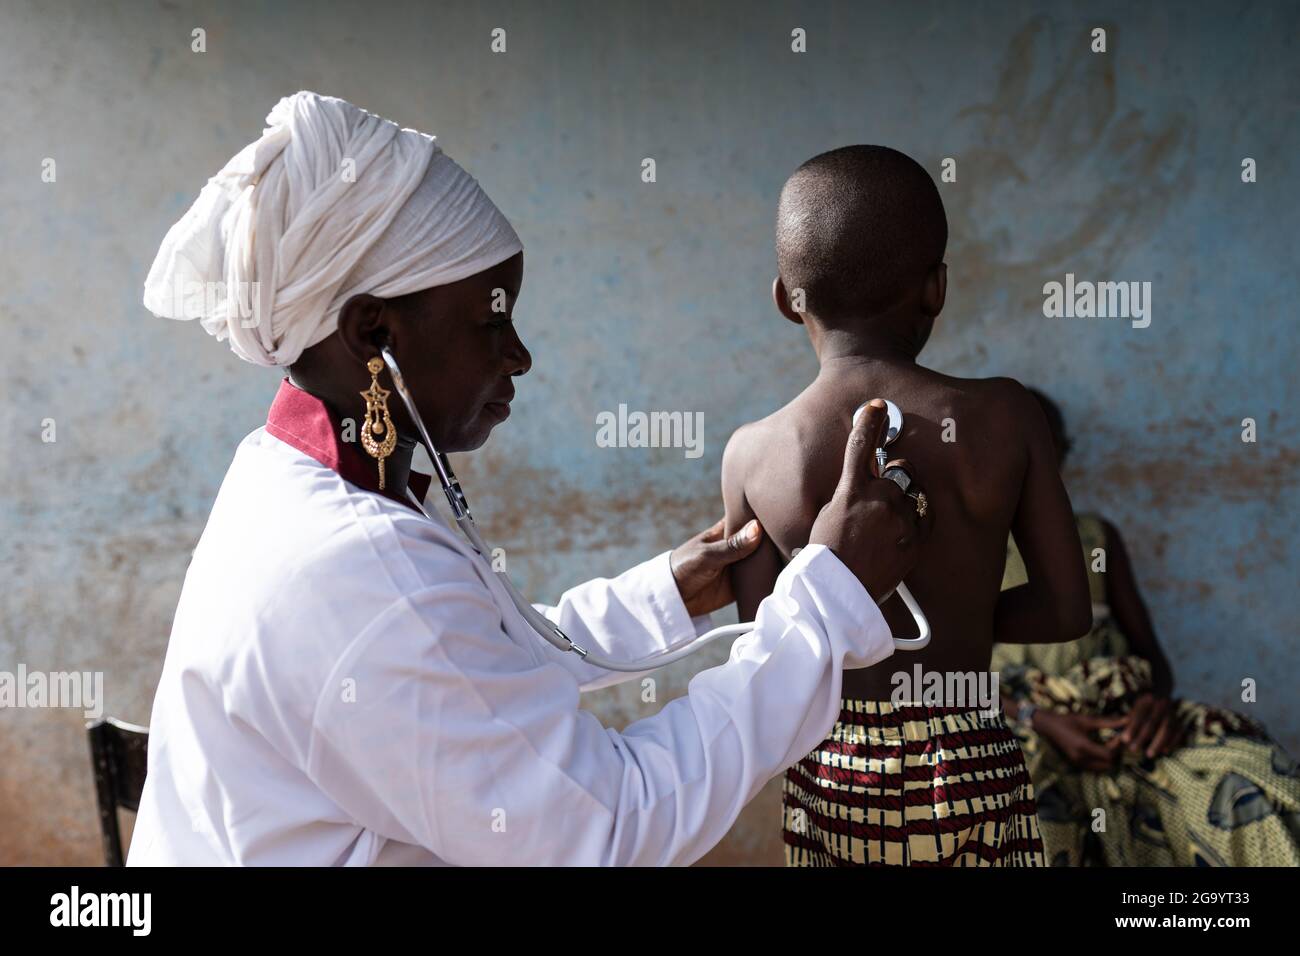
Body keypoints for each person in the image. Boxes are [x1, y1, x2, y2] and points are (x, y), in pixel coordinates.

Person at [126, 92, 930, 866]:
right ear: (375, 332)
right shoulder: (355, 567)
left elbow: (466, 664)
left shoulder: (285, 476)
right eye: (491, 318)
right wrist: (824, 606)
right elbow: (610, 827)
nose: (520, 355)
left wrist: (666, 598)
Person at [721, 145, 1091, 866]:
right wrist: (958, 618)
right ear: (936, 289)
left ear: (782, 296)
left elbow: (766, 647)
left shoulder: (752, 453)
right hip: (972, 765)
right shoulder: (1006, 415)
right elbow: (1067, 610)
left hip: (834, 775)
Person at [994, 388, 1300, 866]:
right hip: (1018, 728)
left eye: (1044, 453)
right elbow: (941, 675)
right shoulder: (956, 552)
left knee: (1250, 781)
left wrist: (1151, 709)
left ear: (1062, 458)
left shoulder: (1094, 538)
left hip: (1122, 724)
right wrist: (1039, 719)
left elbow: (1154, 661)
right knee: (1028, 819)